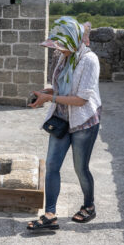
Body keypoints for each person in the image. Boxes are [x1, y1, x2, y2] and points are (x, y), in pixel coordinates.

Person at [26, 16, 101, 231]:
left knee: (80, 168)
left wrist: (50, 98)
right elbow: (61, 87)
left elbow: (82, 99)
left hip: (83, 121)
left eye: (61, 45)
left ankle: (89, 206)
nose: (58, 50)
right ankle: (50, 215)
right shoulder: (64, 57)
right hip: (62, 119)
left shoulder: (89, 60)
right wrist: (46, 93)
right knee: (52, 166)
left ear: (73, 39)